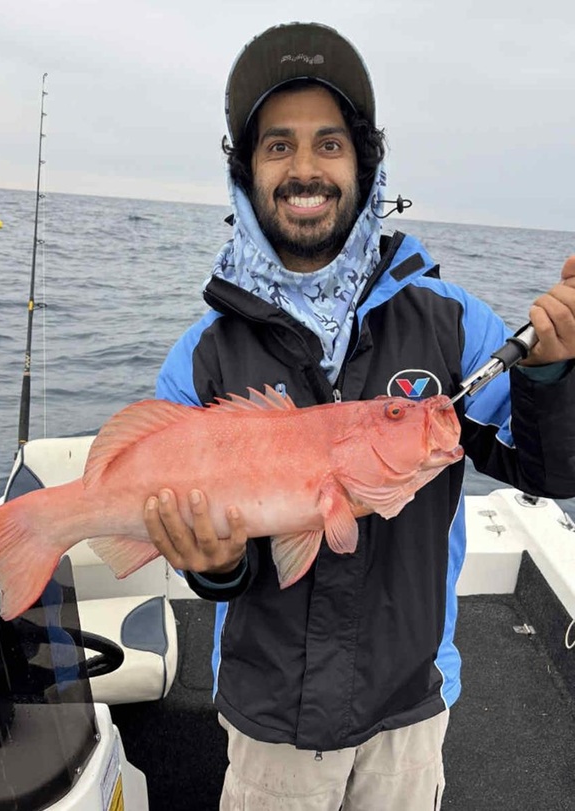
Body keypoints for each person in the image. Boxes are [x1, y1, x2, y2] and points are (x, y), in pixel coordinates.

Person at [144, 21, 575, 811]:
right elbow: (199, 555)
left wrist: (551, 373)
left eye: (330, 143)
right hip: (270, 717)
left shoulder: (451, 321)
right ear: (246, 173)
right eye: (278, 145)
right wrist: (212, 563)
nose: (305, 168)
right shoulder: (202, 357)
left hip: (410, 704)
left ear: (365, 165)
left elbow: (550, 469)